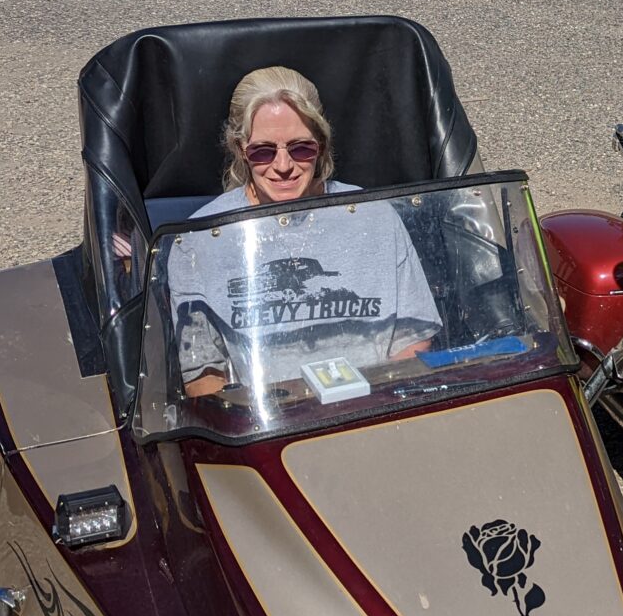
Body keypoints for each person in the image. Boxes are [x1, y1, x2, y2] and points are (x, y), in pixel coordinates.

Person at [166, 67, 438, 398]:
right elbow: (202, 373)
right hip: (267, 415)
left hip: (376, 403)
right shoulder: (200, 238)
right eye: (263, 151)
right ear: (240, 149)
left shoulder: (375, 216)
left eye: (300, 149)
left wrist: (375, 403)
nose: (283, 166)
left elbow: (413, 338)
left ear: (321, 145)